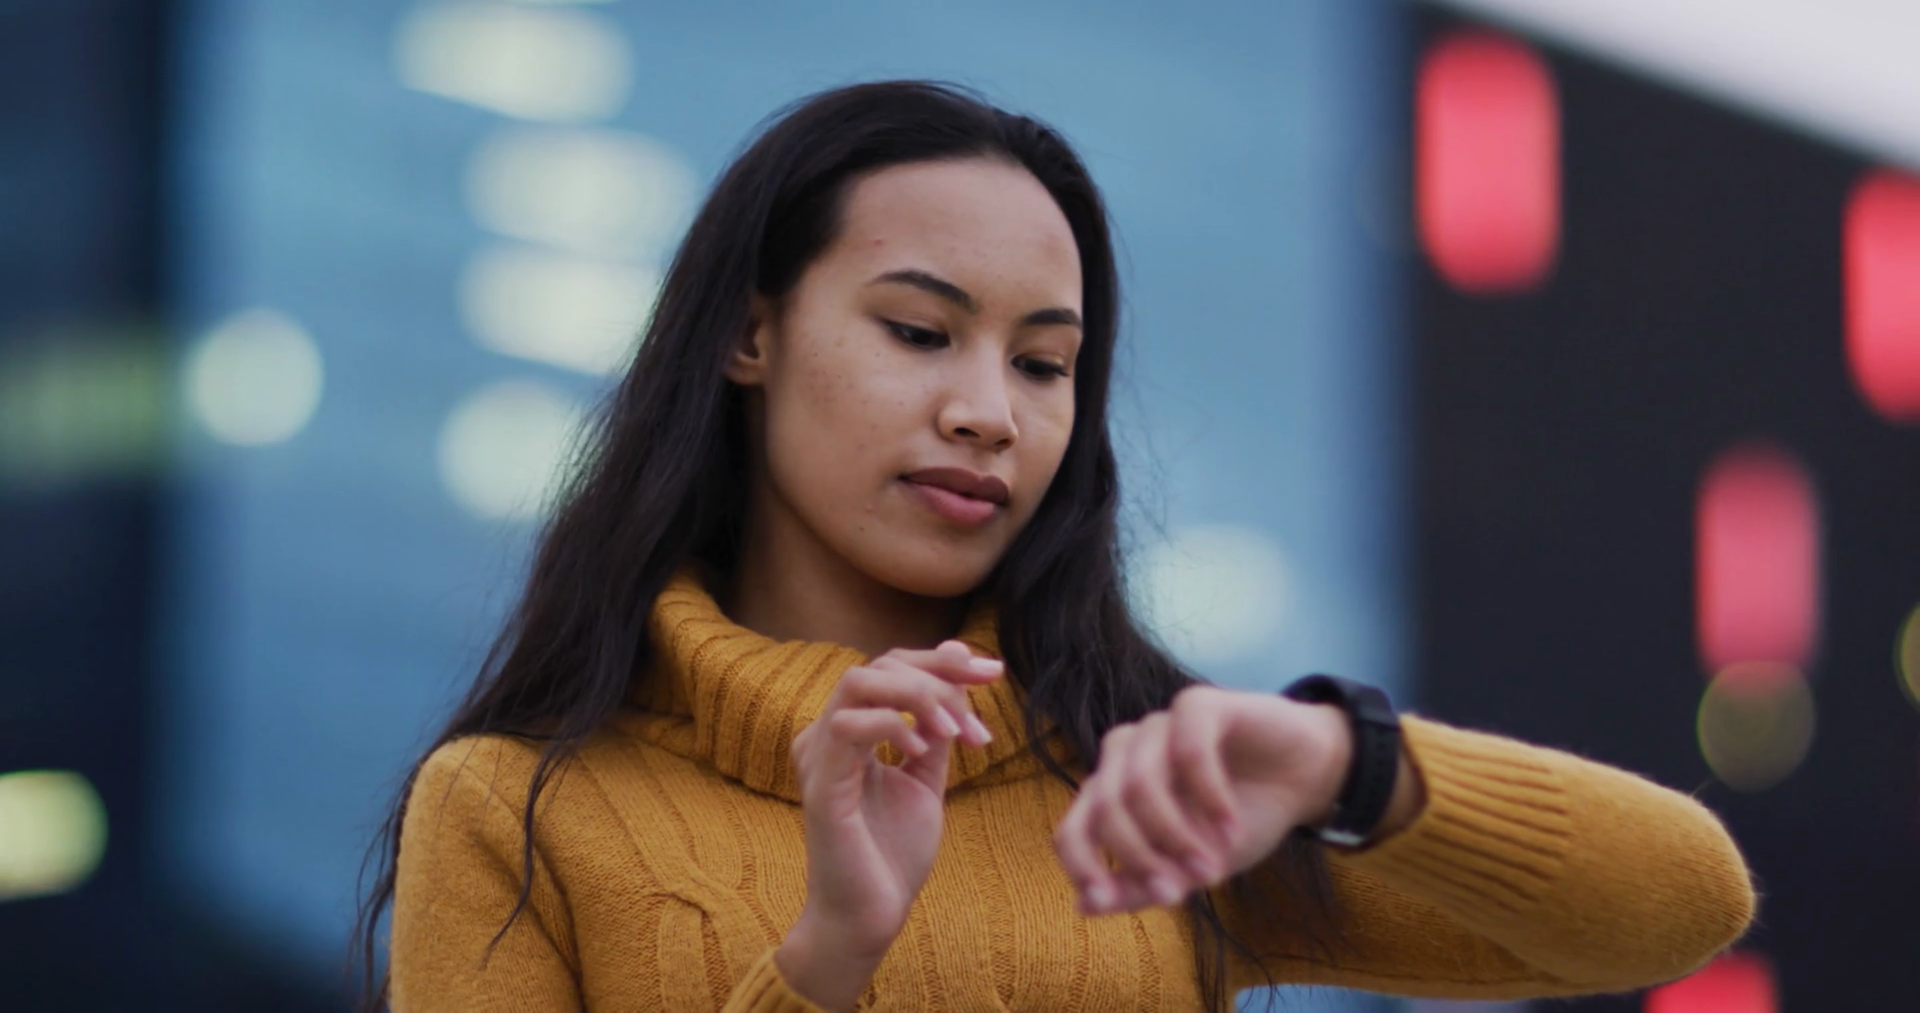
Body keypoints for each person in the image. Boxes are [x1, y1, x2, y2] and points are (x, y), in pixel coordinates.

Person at [355, 81, 1754, 1012]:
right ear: (747, 332)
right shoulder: (515, 811)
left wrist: (1344, 759)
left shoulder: (1138, 777)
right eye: (917, 333)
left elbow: (1679, 904)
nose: (988, 414)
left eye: (1043, 363)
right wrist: (828, 955)